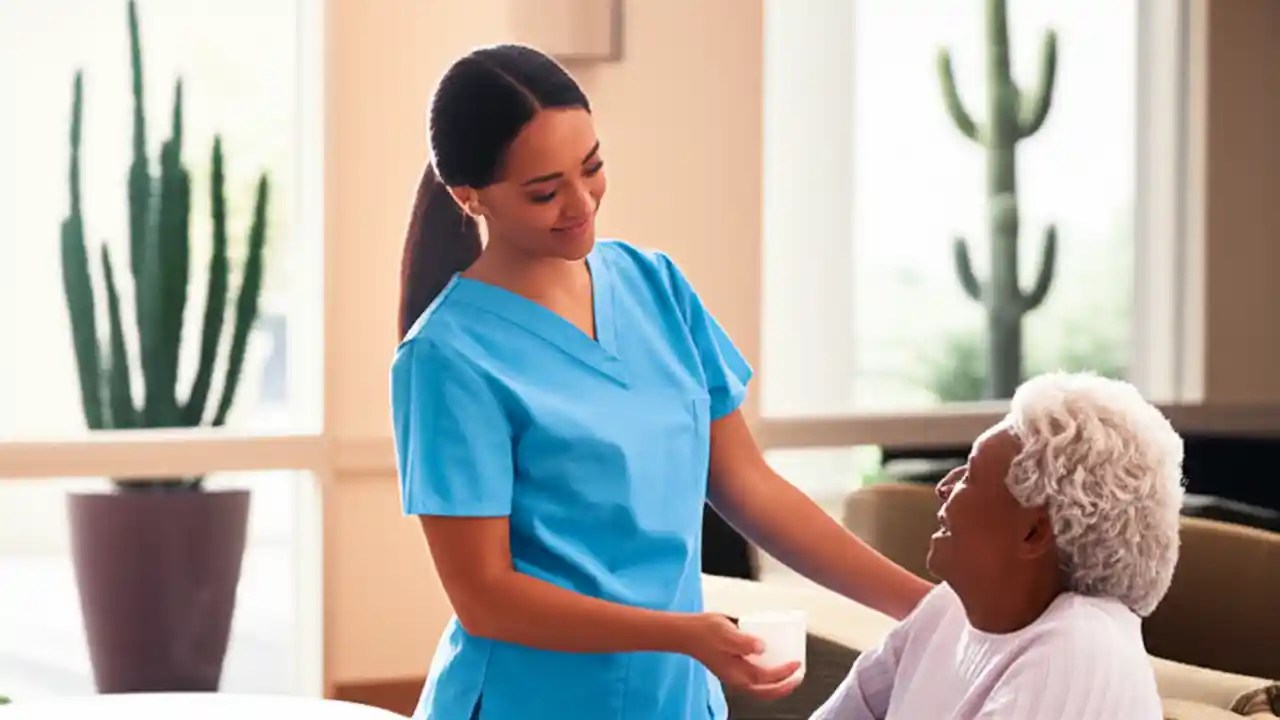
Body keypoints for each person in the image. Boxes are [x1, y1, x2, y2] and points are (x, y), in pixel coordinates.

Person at [388, 44, 932, 719]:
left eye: (592, 168)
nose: (581, 203)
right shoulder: (447, 357)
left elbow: (748, 487)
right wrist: (680, 634)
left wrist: (925, 606)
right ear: (469, 195)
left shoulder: (656, 287)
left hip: (670, 696)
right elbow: (486, 597)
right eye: (544, 191)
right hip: (528, 700)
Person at [810, 372, 1185, 720]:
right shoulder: (947, 609)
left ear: (1033, 533)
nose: (943, 487)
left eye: (970, 474)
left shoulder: (1079, 651)